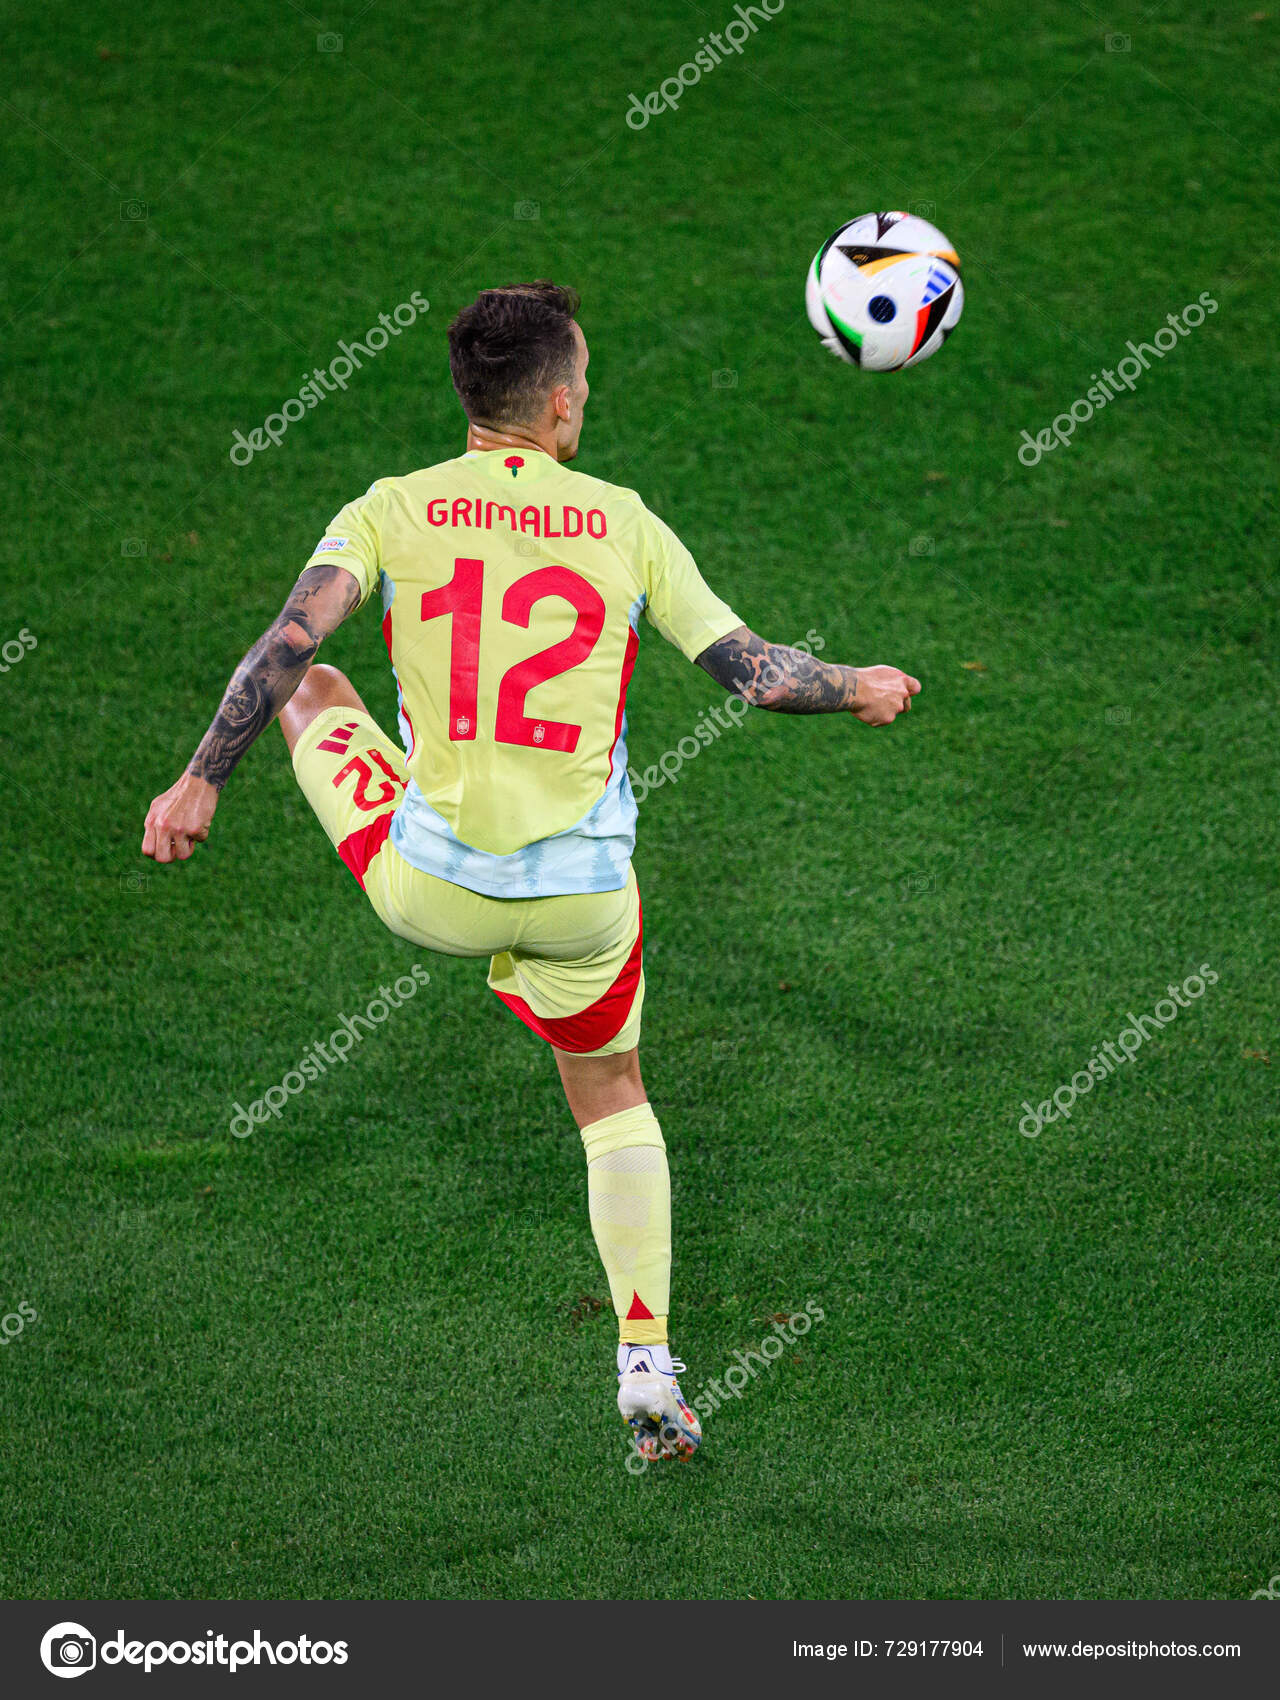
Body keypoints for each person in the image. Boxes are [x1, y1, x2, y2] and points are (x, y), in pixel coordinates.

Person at [142, 280, 920, 1461]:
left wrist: (200, 778)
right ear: (556, 403)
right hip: (580, 905)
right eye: (585, 382)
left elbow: (287, 645)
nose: (586, 398)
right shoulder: (622, 521)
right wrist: (856, 682)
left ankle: (443, 874)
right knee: (611, 1098)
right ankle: (646, 1361)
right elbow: (753, 673)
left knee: (319, 688)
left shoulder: (390, 506)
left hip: (430, 893)